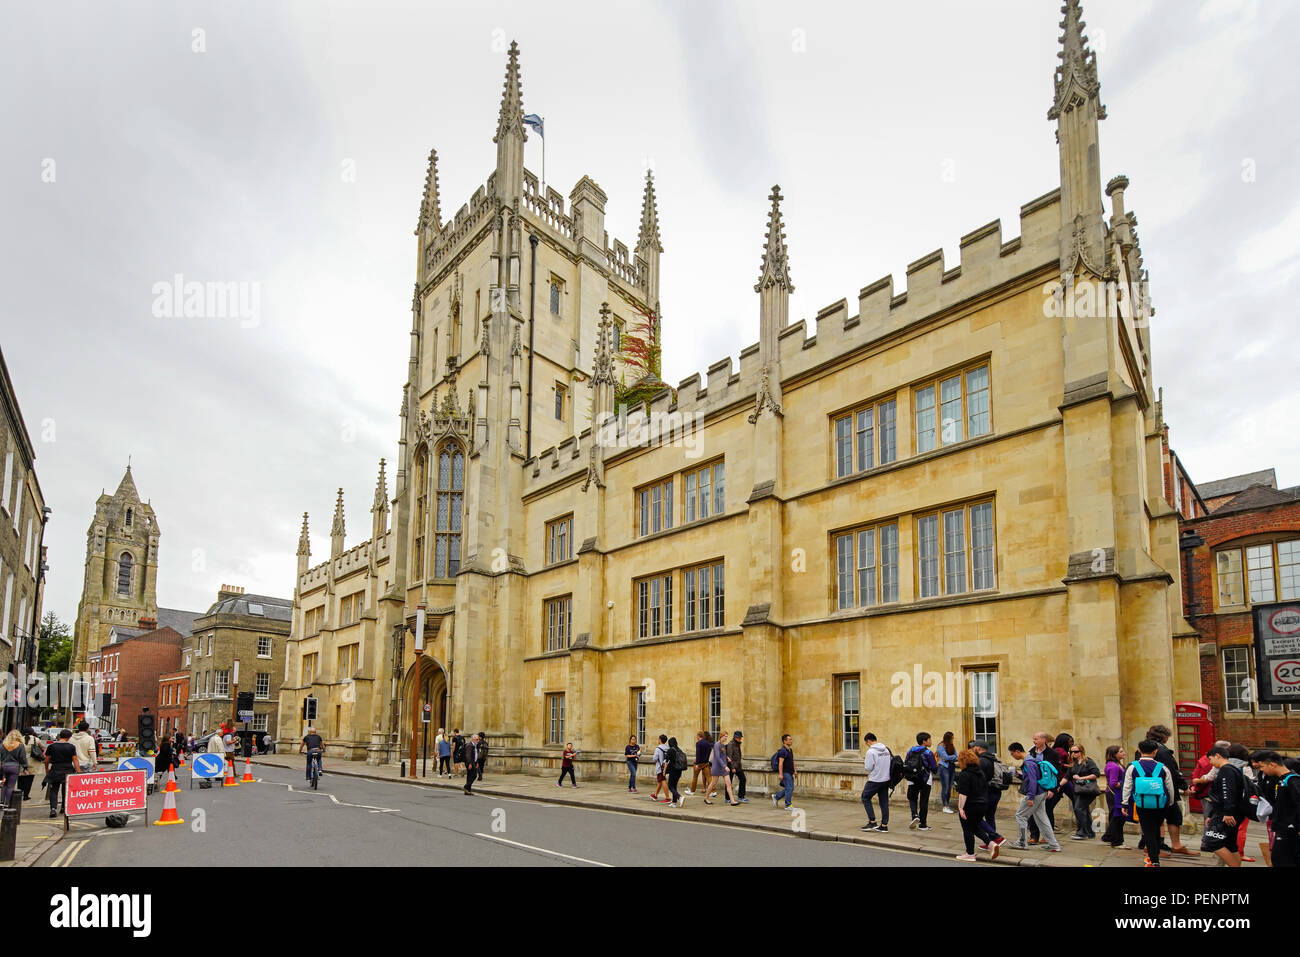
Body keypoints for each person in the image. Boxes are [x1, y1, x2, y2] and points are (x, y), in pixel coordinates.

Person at [1122, 739, 1176, 867]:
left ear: (1139, 750)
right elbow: (1170, 788)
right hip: (1160, 804)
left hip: (1141, 804)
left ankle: (1154, 860)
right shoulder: (1162, 768)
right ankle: (1154, 856)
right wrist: (1170, 802)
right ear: (1155, 751)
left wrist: (1125, 804)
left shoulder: (1132, 767)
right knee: (1157, 829)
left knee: (1148, 831)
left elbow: (1127, 787)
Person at [1144, 723, 1194, 856]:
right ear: (1163, 737)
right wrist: (1184, 786)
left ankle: (1154, 846)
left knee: (1154, 818)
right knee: (1173, 816)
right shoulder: (1162, 751)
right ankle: (1159, 847)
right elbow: (1172, 772)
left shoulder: (1143, 748)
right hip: (1164, 790)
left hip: (1148, 789)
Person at [1007, 741, 1061, 851]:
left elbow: (1033, 781)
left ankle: (1022, 842)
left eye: (1012, 753)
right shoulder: (1032, 760)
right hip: (1041, 792)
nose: (1012, 756)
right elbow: (1030, 779)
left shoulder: (1028, 762)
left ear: (1017, 751)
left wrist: (1030, 797)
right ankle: (1054, 845)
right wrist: (1018, 775)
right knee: (1042, 818)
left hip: (1035, 793)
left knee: (1020, 815)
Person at [1251, 750, 1299, 867]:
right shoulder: (1281, 779)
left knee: (1281, 860)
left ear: (1272, 764)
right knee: (1278, 859)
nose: (1261, 770)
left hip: (1290, 830)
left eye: (1262, 766)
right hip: (1281, 827)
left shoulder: (1292, 781)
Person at [954, 748, 1003, 861]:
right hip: (982, 804)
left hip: (970, 805)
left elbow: (963, 793)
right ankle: (991, 844)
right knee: (975, 827)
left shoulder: (965, 774)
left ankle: (970, 854)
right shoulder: (980, 773)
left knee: (967, 829)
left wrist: (961, 808)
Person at [1200, 745, 1244, 867]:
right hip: (1227, 812)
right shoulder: (1233, 769)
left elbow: (1227, 792)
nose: (1210, 763)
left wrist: (1228, 812)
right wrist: (1211, 814)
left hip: (1225, 814)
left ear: (1218, 756)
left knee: (1211, 842)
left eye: (1210, 759)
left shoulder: (1226, 770)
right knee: (1230, 845)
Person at [1227, 743, 1257, 862]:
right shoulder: (1245, 767)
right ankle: (1240, 853)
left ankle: (1228, 850)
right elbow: (1250, 785)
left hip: (1225, 803)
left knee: (1228, 828)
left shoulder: (1223, 765)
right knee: (1241, 829)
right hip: (1241, 802)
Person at [904, 732, 937, 831]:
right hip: (925, 779)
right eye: (929, 740)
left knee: (912, 798)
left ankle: (914, 815)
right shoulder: (928, 753)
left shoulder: (911, 750)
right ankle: (923, 824)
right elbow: (934, 768)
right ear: (924, 741)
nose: (930, 741)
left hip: (912, 778)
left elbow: (906, 762)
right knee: (924, 800)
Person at [43, 729, 80, 818]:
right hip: (67, 770)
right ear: (69, 737)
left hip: (55, 769)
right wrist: (78, 770)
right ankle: (63, 807)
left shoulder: (52, 746)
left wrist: (47, 770)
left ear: (60, 736)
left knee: (54, 790)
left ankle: (53, 809)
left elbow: (46, 760)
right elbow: (75, 759)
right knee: (65, 790)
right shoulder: (71, 747)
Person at [1100, 745, 1131, 848]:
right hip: (1115, 794)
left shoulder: (1117, 764)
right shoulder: (1113, 766)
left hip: (1115, 793)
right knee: (1118, 817)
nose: (1124, 753)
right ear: (1114, 754)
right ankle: (1117, 841)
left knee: (1115, 816)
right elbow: (1113, 783)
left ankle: (1108, 836)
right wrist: (1127, 783)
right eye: (1121, 751)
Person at [1068, 743, 1101, 840]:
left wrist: (1081, 778)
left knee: (1079, 809)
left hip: (1087, 790)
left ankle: (1082, 832)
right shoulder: (1073, 764)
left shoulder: (1088, 762)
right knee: (1084, 810)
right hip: (1078, 790)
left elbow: (1096, 774)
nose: (1073, 753)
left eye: (1076, 751)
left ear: (1081, 752)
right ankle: (1090, 832)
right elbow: (1068, 776)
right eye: (1072, 752)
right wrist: (1059, 786)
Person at [860, 733, 892, 832]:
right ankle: (884, 825)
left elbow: (868, 767)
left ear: (868, 741)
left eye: (866, 743)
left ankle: (872, 822)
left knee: (865, 797)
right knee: (884, 802)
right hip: (886, 779)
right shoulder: (886, 749)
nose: (867, 745)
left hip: (875, 780)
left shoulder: (871, 752)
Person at [708, 732, 739, 805]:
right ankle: (706, 798)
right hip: (717, 767)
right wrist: (725, 766)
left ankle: (732, 801)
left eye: (727, 737)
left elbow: (723, 755)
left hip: (723, 768)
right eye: (725, 736)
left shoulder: (723, 745)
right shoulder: (716, 745)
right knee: (713, 784)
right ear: (721, 736)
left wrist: (727, 758)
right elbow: (718, 757)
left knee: (728, 784)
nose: (726, 738)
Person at [1, 730, 30, 806]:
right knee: (10, 786)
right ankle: (7, 803)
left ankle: (1, 801)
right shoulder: (20, 745)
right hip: (14, 767)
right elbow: (22, 758)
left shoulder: (3, 745)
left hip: (4, 767)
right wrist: (25, 767)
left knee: (4, 785)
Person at [770, 734, 796, 811]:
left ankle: (776, 797)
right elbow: (780, 763)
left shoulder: (790, 750)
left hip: (790, 772)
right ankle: (788, 805)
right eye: (789, 739)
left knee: (790, 788)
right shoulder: (782, 751)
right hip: (785, 772)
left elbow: (792, 761)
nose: (791, 741)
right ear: (785, 741)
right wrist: (780, 774)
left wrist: (795, 771)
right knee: (789, 788)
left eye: (791, 739)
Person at [936, 731, 958, 813]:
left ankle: (947, 805)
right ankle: (945, 806)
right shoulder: (941, 746)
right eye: (952, 738)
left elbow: (957, 756)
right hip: (944, 768)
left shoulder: (951, 746)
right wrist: (952, 757)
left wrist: (950, 757)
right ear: (948, 738)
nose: (953, 739)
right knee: (945, 787)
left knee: (949, 787)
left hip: (951, 767)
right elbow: (945, 757)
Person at [688, 730, 712, 796]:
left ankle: (692, 791)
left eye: (697, 736)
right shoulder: (708, 743)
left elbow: (698, 754)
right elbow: (709, 753)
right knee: (709, 777)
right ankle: (713, 791)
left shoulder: (698, 743)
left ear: (699, 736)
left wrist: (697, 764)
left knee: (695, 777)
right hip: (706, 763)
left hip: (699, 763)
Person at [725, 730, 747, 803]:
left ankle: (741, 796)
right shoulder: (731, 745)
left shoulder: (737, 744)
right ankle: (727, 798)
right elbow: (729, 757)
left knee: (743, 779)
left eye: (740, 738)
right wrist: (732, 767)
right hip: (731, 766)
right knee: (729, 782)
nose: (740, 739)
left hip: (738, 766)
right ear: (735, 737)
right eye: (738, 737)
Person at [666, 736, 687, 807]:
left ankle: (679, 797)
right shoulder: (679, 750)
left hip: (673, 770)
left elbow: (666, 761)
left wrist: (664, 771)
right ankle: (674, 803)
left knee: (670, 786)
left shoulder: (670, 750)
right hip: (679, 770)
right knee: (674, 786)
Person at [651, 734, 671, 803]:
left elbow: (655, 759)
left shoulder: (658, 748)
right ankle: (655, 795)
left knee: (663, 780)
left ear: (660, 740)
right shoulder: (668, 748)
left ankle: (668, 798)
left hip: (660, 767)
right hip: (666, 766)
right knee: (660, 781)